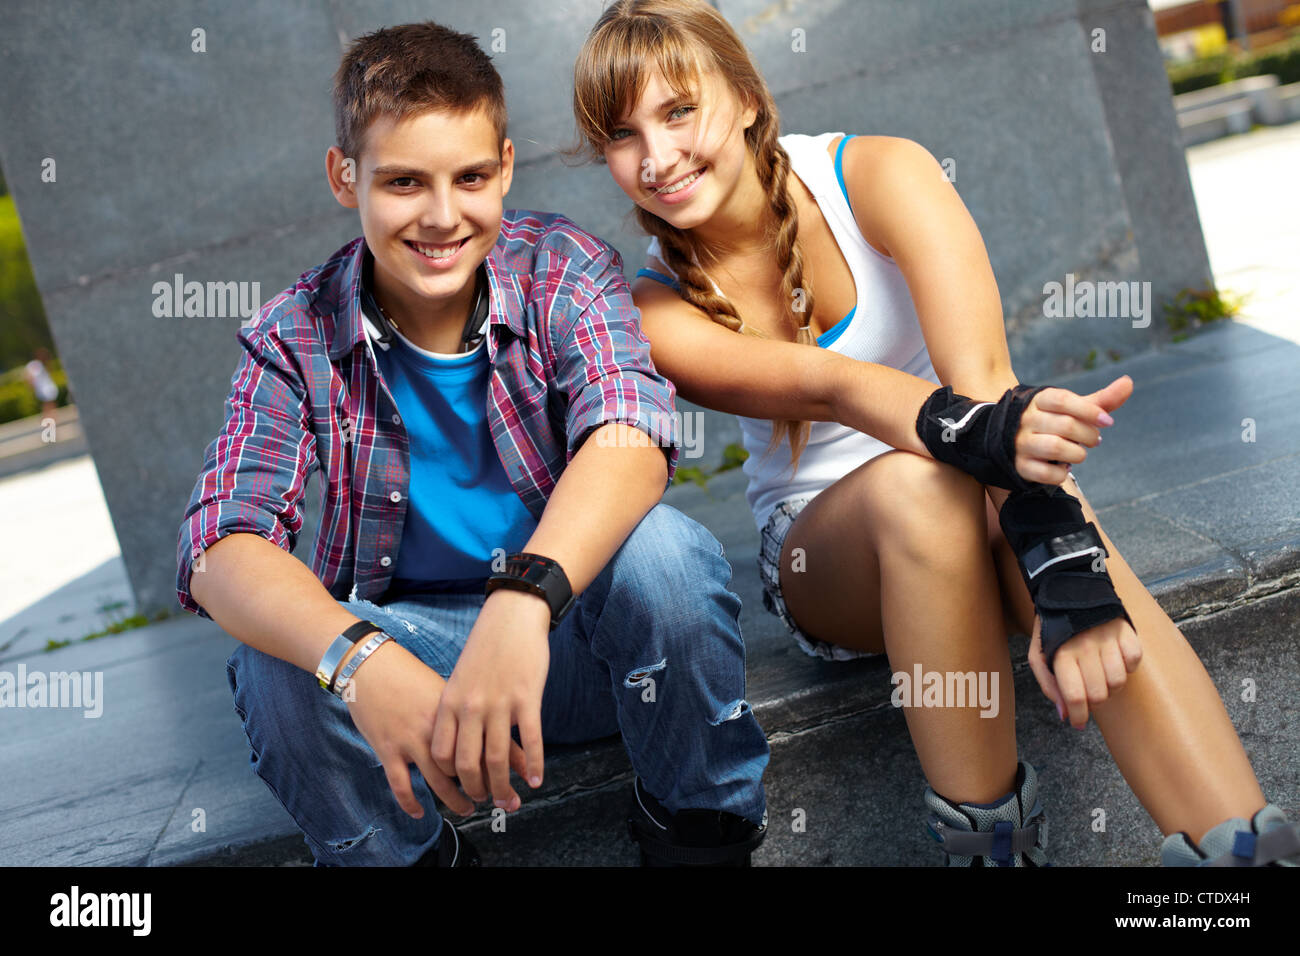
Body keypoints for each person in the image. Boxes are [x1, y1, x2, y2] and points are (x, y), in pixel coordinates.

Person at [569, 0, 1300, 866]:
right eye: (623, 134)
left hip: (988, 489)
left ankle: (1240, 861)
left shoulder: (878, 174)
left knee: (1055, 552)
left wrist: (1065, 567)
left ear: (747, 97)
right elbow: (834, 387)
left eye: (679, 110)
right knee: (928, 486)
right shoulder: (652, 305)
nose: (657, 157)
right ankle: (989, 851)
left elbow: (982, 383)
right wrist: (1035, 507)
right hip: (828, 558)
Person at [176, 20, 772, 867]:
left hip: (575, 639)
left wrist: (522, 601)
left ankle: (698, 832)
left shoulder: (561, 267)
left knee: (666, 557)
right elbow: (219, 543)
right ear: (345, 177)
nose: (442, 216)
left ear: (506, 164)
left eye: (471, 177)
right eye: (404, 183)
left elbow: (631, 432)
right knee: (276, 666)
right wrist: (361, 659)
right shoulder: (292, 334)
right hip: (423, 673)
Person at [24, 347, 59, 416]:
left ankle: (51, 417)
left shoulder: (41, 364)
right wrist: (31, 386)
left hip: (46, 387)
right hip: (43, 388)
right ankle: (48, 417)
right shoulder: (35, 364)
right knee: (48, 403)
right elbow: (30, 376)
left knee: (50, 402)